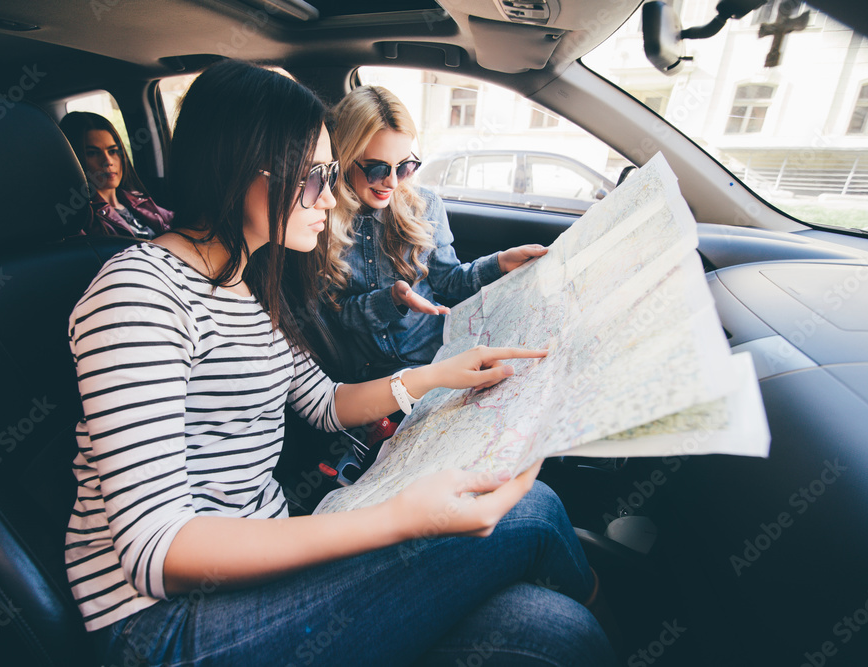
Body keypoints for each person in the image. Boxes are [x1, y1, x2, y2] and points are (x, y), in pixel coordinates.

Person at [65, 60, 614, 667]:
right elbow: (156, 551)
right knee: (533, 510)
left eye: (329, 174)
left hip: (262, 565)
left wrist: (438, 376)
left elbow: (324, 403)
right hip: (165, 625)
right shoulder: (139, 292)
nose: (329, 197)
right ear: (238, 171)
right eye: (313, 178)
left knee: (557, 630)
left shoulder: (253, 282)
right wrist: (399, 519)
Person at [323, 86, 548, 381]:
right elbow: (330, 318)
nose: (392, 183)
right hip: (373, 378)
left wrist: (500, 263)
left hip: (437, 359)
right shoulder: (317, 219)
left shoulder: (425, 205)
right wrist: (391, 300)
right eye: (377, 169)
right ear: (344, 157)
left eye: (404, 167)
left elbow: (450, 281)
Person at [59, 111, 173, 238]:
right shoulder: (79, 220)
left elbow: (179, 223)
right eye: (92, 153)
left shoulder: (137, 200)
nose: (108, 161)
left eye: (113, 151)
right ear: (74, 160)